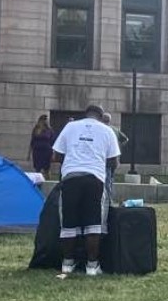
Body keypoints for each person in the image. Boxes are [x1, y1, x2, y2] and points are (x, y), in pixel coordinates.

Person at [49, 104, 119, 276]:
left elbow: (56, 156)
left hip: (71, 178)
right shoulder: (107, 130)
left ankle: (67, 263)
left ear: (85, 114)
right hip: (94, 179)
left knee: (68, 224)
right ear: (102, 117)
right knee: (94, 225)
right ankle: (92, 265)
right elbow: (114, 162)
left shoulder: (70, 127)